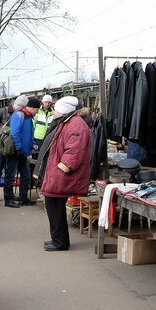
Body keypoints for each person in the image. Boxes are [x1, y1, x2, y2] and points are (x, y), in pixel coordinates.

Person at [40, 96, 91, 251]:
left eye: (56, 109)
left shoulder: (75, 124)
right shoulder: (70, 122)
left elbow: (75, 150)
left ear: (63, 111)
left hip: (62, 172)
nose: (54, 112)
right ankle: (58, 239)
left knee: (54, 204)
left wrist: (64, 166)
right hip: (58, 171)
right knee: (54, 205)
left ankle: (60, 242)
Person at [4, 98, 40, 208]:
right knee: (10, 175)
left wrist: (32, 143)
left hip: (23, 151)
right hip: (16, 151)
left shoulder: (28, 117)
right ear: (32, 108)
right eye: (37, 110)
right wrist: (19, 148)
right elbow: (14, 133)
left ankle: (23, 197)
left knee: (26, 175)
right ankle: (8, 199)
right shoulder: (19, 115)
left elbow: (28, 133)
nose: (37, 112)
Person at [0, 96, 25, 202]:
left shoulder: (18, 114)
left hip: (11, 145)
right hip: (1, 144)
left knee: (10, 171)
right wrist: (1, 131)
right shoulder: (2, 111)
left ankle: (9, 194)